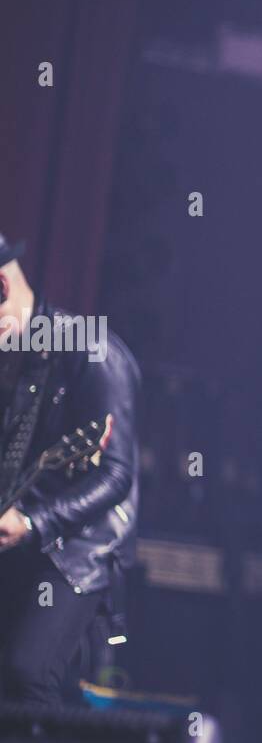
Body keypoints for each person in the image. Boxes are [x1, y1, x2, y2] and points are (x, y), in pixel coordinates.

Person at [0, 232, 140, 705]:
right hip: (19, 542)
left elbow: (116, 476)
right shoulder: (10, 354)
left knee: (27, 673)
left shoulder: (92, 348)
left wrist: (33, 521)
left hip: (80, 549)